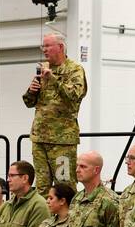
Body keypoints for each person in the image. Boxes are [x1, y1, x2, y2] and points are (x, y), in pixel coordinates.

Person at [23, 30, 87, 193]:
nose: (44, 50)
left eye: (47, 46)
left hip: (62, 140)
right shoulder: (43, 69)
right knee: (42, 187)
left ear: (60, 47)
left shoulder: (74, 70)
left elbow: (74, 96)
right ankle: (45, 219)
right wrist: (32, 91)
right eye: (42, 46)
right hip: (39, 138)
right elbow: (28, 102)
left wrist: (52, 79)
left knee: (64, 185)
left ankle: (66, 219)